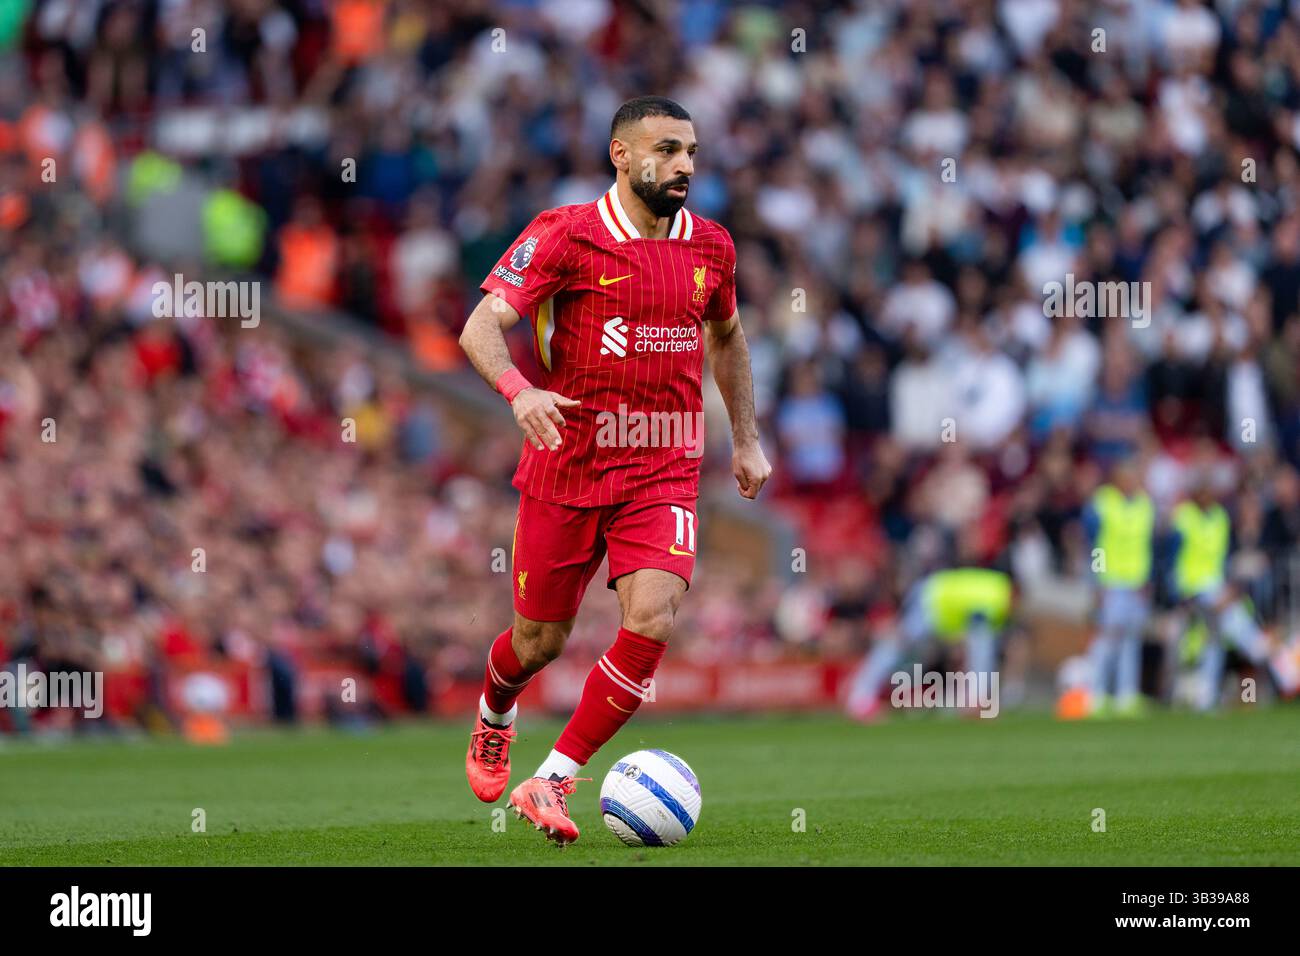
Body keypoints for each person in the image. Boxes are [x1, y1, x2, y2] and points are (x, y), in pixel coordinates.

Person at [456, 96, 771, 845]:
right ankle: (496, 712)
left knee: (654, 616)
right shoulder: (564, 235)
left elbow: (728, 338)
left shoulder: (713, 248)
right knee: (539, 642)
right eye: (668, 149)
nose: (687, 165)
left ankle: (554, 778)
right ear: (622, 156)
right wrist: (520, 389)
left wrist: (748, 440)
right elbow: (479, 327)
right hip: (566, 467)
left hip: (663, 468)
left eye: (692, 150)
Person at [846, 566, 1012, 721]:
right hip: (929, 600)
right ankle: (860, 697)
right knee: (896, 644)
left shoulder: (997, 587)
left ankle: (975, 699)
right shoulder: (997, 596)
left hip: (932, 595)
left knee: (897, 644)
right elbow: (977, 641)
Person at [1168, 476, 1278, 710]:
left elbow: (1224, 558)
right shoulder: (1184, 517)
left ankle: (1205, 698)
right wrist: (1179, 593)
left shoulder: (1219, 517)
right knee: (1233, 629)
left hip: (1215, 585)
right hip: (1193, 587)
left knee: (1215, 640)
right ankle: (1268, 654)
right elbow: (1172, 557)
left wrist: (1229, 588)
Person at [1081, 458, 1155, 717]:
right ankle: (1097, 693)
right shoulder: (1102, 503)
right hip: (1111, 580)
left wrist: (1146, 578)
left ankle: (1126, 694)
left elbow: (1144, 546)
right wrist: (1099, 580)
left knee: (1130, 638)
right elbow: (1094, 544)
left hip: (1135, 582)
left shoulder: (1144, 504)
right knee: (1108, 637)